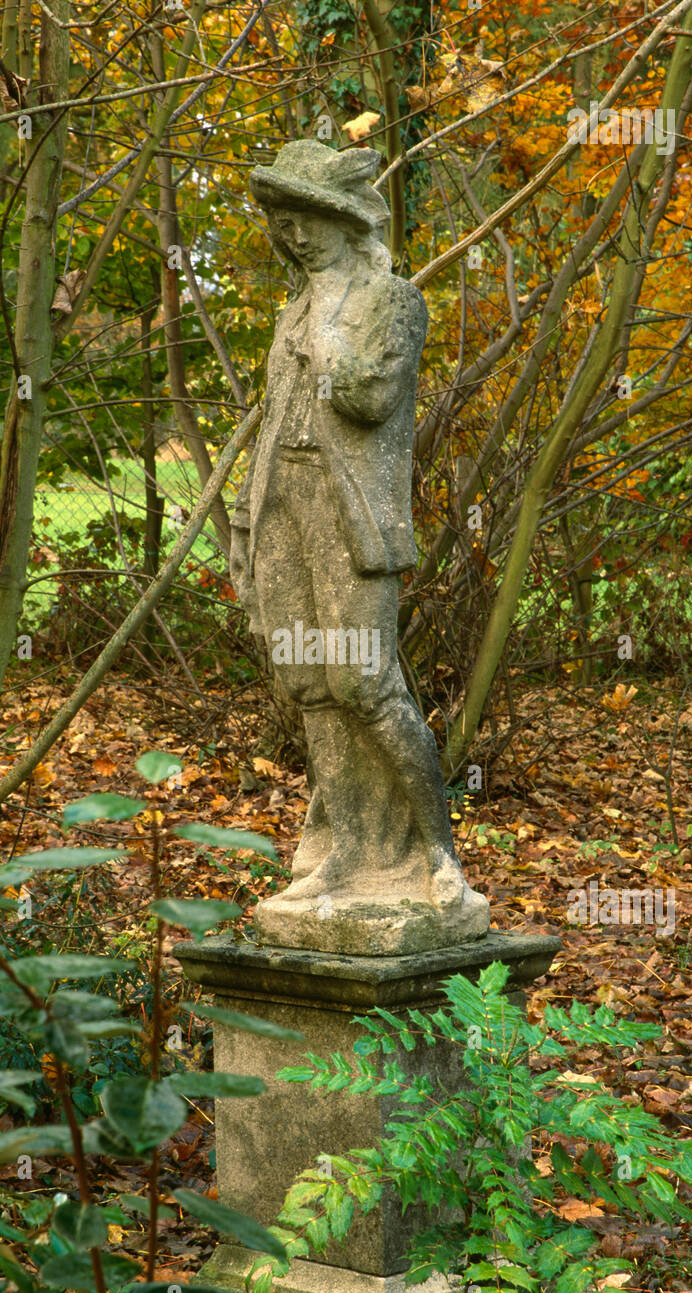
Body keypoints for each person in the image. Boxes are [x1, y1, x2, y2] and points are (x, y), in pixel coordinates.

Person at [230, 140, 483, 932]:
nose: (293, 234)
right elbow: (274, 426)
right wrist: (244, 516)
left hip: (349, 513)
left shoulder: (392, 300)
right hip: (283, 507)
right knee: (309, 686)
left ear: (344, 222)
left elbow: (371, 399)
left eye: (307, 218)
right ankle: (341, 851)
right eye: (282, 220)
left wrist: (327, 352)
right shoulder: (290, 311)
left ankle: (436, 855)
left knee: (365, 685)